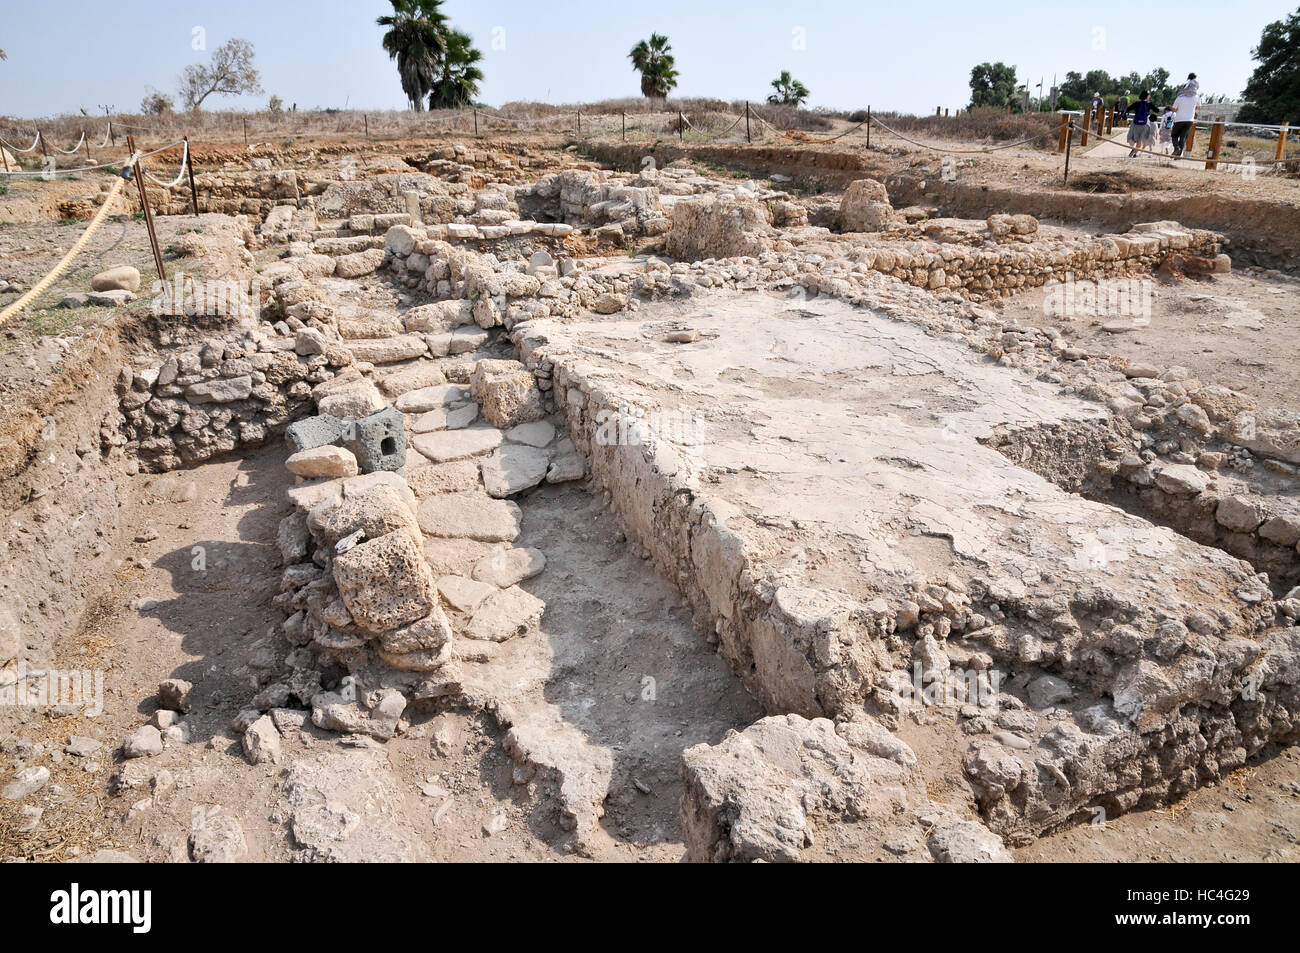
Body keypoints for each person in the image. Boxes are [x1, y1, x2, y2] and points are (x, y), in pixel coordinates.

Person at [1171, 79, 1199, 157]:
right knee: (1183, 137)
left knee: (1174, 135)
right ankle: (1178, 156)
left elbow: (1174, 109)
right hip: (1190, 120)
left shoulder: (1180, 97)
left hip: (1179, 119)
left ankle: (1177, 148)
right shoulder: (1196, 97)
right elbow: (1199, 107)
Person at [1126, 91, 1157, 157]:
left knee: (1131, 138)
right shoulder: (1149, 104)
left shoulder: (1137, 103)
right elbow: (1156, 110)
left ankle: (1133, 149)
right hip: (1145, 124)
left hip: (1135, 123)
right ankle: (1135, 153)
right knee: (1139, 140)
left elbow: (1128, 109)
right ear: (1147, 96)